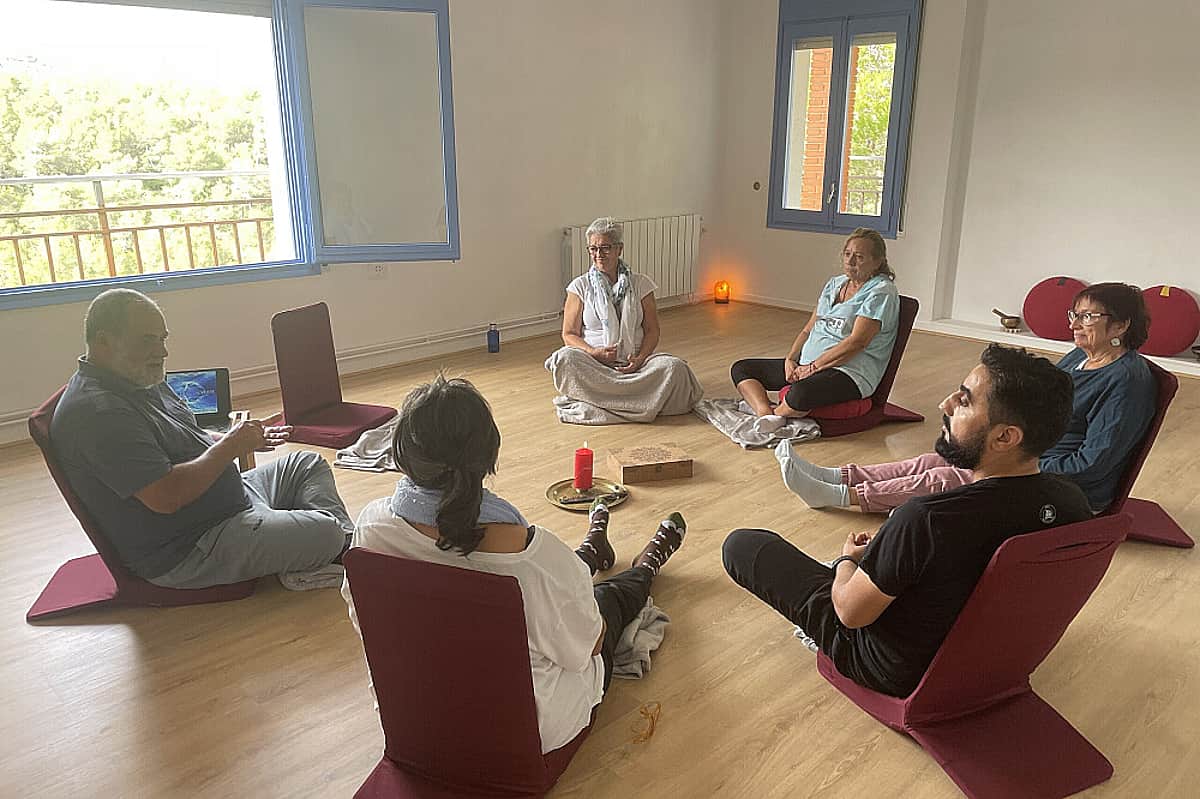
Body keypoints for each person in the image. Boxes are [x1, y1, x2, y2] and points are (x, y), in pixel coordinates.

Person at [723, 344, 1092, 697]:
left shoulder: (925, 519)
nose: (945, 404)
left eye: (964, 401)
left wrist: (846, 563)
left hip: (892, 668)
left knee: (743, 545)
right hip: (985, 661)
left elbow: (850, 613)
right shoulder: (1072, 502)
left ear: (1006, 437)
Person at [344, 375, 686, 753]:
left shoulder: (370, 527)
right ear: (487, 457)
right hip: (523, 736)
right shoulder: (531, 558)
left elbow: (364, 618)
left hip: (417, 721)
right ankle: (644, 568)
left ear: (404, 453)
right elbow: (588, 646)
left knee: (562, 581)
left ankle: (590, 553)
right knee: (609, 600)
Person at [52, 288, 352, 589]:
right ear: (103, 341)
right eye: (148, 340)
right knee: (328, 532)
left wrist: (234, 438)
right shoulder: (100, 414)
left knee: (306, 463)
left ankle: (340, 550)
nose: (162, 352)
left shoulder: (137, 377)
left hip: (229, 501)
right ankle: (334, 549)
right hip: (194, 544)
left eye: (162, 339)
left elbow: (185, 436)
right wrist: (230, 446)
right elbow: (166, 496)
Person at [780, 282, 1155, 514]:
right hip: (1031, 455)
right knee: (941, 454)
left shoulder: (1127, 382)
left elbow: (1093, 464)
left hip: (1069, 489)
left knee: (948, 475)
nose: (1074, 323)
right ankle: (838, 477)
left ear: (1121, 325)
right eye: (1075, 313)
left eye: (1089, 317)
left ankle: (845, 498)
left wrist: (1019, 464)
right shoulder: (1079, 357)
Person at [545, 216, 703, 424]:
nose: (598, 255)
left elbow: (652, 330)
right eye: (593, 249)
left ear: (619, 249)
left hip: (636, 365)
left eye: (605, 248)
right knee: (564, 358)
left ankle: (605, 402)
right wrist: (594, 353)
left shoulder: (641, 284)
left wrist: (639, 358)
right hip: (595, 365)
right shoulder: (580, 286)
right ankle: (639, 403)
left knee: (675, 368)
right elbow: (568, 334)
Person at [730, 228, 899, 418]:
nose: (850, 262)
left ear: (877, 261)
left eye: (859, 257)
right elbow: (808, 329)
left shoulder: (881, 292)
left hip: (847, 372)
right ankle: (765, 412)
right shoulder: (835, 284)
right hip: (808, 364)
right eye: (847, 254)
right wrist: (791, 359)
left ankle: (774, 415)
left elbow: (857, 342)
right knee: (741, 368)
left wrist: (813, 368)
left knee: (800, 393)